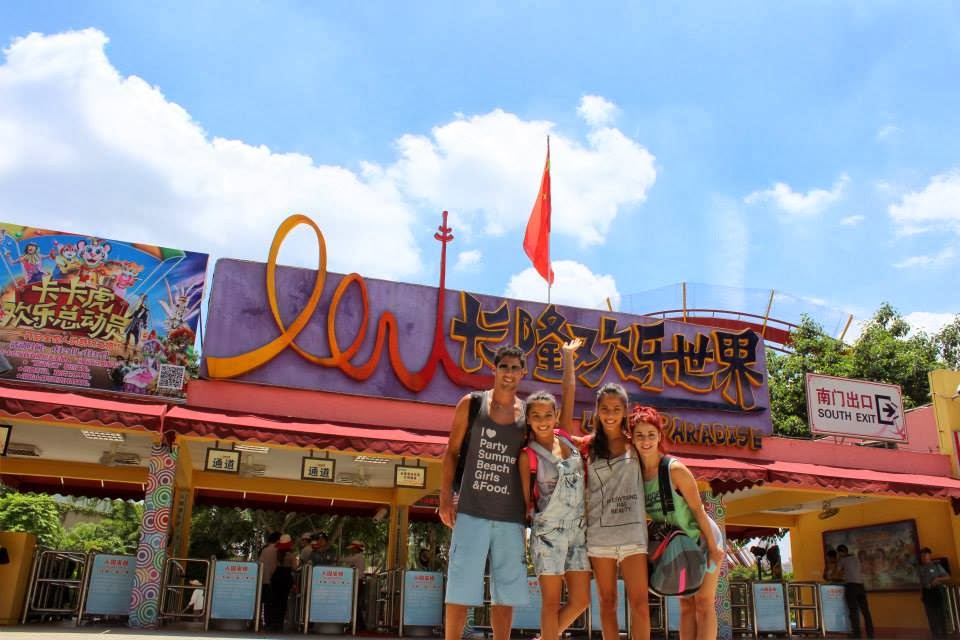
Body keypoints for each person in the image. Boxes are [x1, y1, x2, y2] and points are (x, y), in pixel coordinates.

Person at [440, 344, 530, 640]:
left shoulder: (527, 414)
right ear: (494, 369)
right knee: (460, 588)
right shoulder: (472, 403)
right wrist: (444, 499)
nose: (509, 373)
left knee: (506, 593)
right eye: (504, 366)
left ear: (523, 372)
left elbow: (556, 435)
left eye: (515, 368)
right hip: (471, 511)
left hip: (510, 516)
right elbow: (451, 452)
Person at [518, 338, 590, 640]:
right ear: (528, 420)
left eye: (548, 415)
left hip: (578, 531)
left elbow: (569, 390)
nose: (543, 421)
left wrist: (567, 356)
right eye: (536, 416)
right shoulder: (528, 456)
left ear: (556, 416)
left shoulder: (568, 439)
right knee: (550, 603)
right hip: (547, 533)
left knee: (581, 600)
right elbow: (524, 504)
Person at [632, 405, 723, 640]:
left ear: (659, 436)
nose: (645, 441)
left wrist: (714, 549)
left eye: (651, 434)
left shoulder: (674, 470)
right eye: (639, 435)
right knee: (685, 605)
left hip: (702, 540)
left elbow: (698, 510)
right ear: (631, 438)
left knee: (703, 602)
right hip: (675, 546)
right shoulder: (636, 474)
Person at [585, 385, 650, 640]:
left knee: (640, 604)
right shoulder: (588, 446)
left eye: (616, 409)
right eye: (605, 409)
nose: (610, 414)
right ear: (597, 411)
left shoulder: (636, 442)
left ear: (625, 411)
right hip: (599, 536)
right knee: (607, 602)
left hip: (633, 535)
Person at [837, 544, 874, 639]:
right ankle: (870, 634)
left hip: (851, 586)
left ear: (840, 552)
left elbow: (836, 572)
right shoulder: (856, 558)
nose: (838, 555)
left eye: (839, 553)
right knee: (866, 611)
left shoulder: (843, 560)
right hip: (861, 586)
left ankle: (857, 635)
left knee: (853, 612)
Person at [919, 547, 950, 638]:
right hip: (926, 593)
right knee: (931, 616)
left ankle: (944, 636)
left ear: (929, 555)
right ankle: (935, 636)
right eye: (922, 555)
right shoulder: (920, 568)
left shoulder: (936, 566)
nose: (924, 557)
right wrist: (921, 594)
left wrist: (937, 579)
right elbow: (921, 583)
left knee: (940, 615)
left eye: (926, 555)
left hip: (936, 591)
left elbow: (947, 577)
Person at [270, 534, 296, 631]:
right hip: (286, 578)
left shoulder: (276, 554)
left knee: (275, 600)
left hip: (276, 577)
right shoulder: (291, 556)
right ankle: (280, 622)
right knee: (283, 601)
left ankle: (273, 621)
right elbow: (294, 568)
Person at [258, 531, 281, 629]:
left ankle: (259, 620)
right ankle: (269, 622)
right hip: (273, 579)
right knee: (270, 602)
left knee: (261, 601)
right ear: (278, 540)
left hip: (262, 579)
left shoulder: (264, 549)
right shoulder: (277, 550)